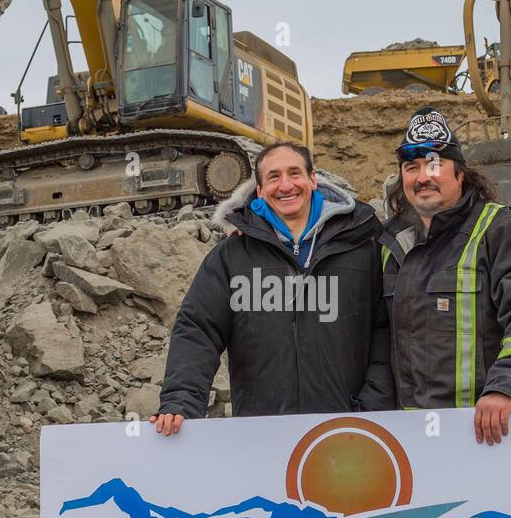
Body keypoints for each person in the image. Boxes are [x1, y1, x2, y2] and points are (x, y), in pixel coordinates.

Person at [153, 142, 395, 432]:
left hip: (344, 432)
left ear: (312, 180)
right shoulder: (232, 256)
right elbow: (198, 329)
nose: (286, 185)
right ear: (259, 189)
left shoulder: (361, 248)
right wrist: (180, 402)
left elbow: (385, 331)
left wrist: (371, 408)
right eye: (274, 177)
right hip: (261, 433)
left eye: (294, 173)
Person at [379, 109, 511, 445]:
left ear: (460, 173)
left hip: (494, 435)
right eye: (411, 168)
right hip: (417, 438)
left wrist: (506, 387)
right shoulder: (388, 244)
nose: (423, 177)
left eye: (434, 165)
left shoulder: (504, 231)